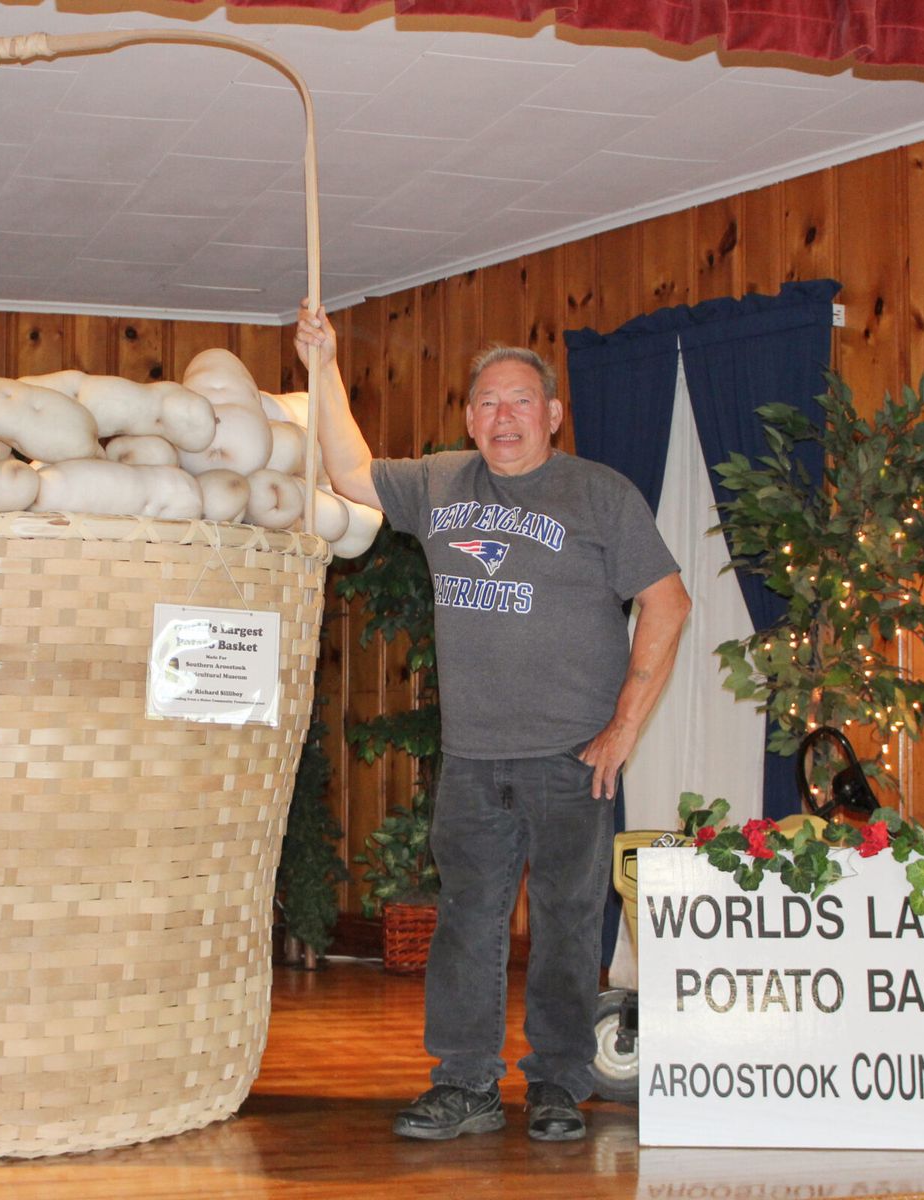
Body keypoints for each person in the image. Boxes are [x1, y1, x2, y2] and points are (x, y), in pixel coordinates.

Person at [293, 301, 691, 1142]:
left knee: (567, 925)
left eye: (519, 402)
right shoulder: (441, 484)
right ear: (469, 419)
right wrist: (322, 365)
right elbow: (347, 470)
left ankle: (556, 1083)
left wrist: (622, 730)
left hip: (572, 760)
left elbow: (667, 602)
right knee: (468, 928)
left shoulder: (599, 494)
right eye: (486, 403)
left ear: (551, 415)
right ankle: (467, 1084)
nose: (502, 416)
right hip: (472, 759)